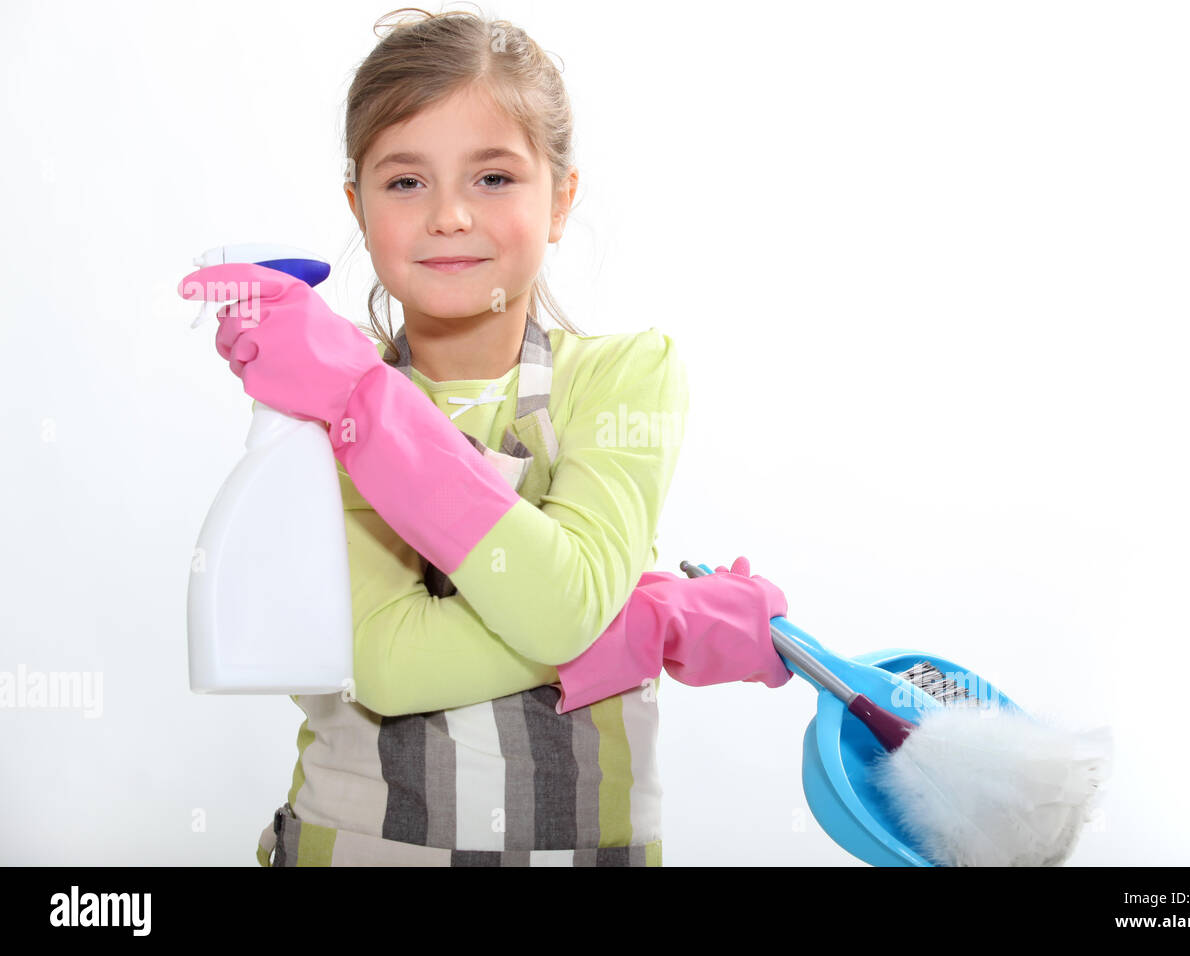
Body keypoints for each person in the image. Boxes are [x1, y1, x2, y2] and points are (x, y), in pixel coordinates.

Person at [181, 8, 790, 867]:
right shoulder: (317, 408)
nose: (450, 215)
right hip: (363, 846)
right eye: (405, 182)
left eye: (495, 178)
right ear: (357, 207)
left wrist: (367, 407)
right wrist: (650, 622)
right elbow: (391, 667)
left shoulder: (624, 380)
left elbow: (565, 600)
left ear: (561, 199)